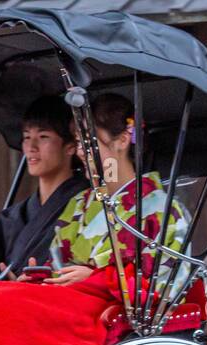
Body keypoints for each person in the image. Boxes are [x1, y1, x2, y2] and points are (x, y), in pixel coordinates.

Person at [46, 92, 189, 289]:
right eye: (79, 143)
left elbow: (164, 288)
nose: (81, 151)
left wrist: (97, 280)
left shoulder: (162, 209)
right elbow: (57, 266)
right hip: (67, 306)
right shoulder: (79, 203)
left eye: (90, 143)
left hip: (110, 316)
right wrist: (38, 277)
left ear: (122, 141)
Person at [0, 96, 89, 281]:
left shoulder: (89, 206)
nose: (31, 147)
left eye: (43, 137)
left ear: (70, 147)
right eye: (27, 137)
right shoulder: (10, 219)